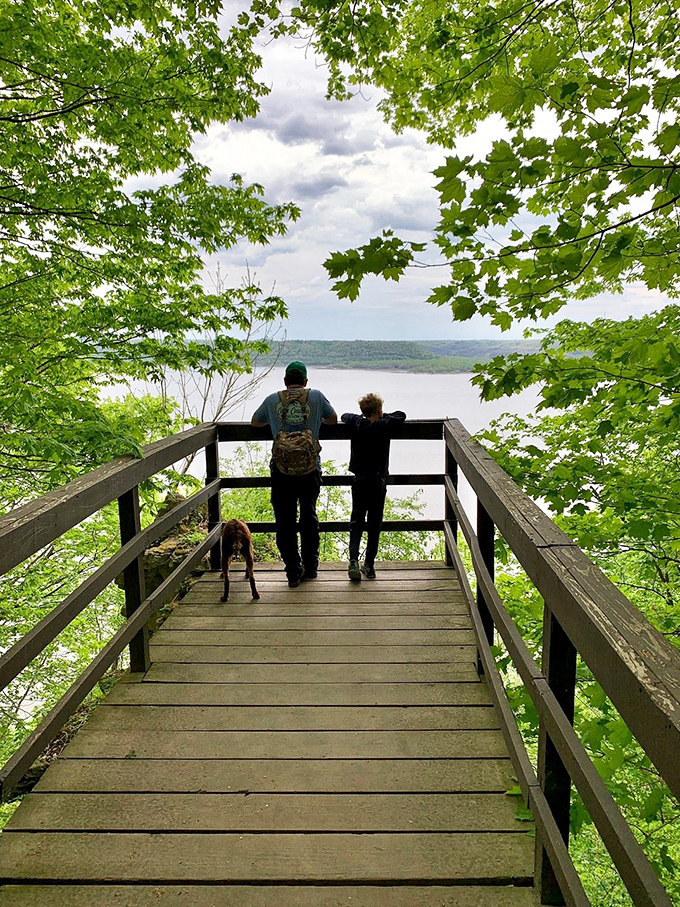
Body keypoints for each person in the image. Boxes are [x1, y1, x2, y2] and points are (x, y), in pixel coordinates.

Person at [252, 361, 337, 587]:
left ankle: (292, 571)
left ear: (285, 381)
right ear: (305, 381)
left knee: (285, 521)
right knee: (308, 516)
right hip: (310, 468)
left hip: (281, 470)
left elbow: (255, 421)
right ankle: (311, 567)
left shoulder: (272, 399)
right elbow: (333, 419)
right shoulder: (316, 396)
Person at [341, 394, 406, 580]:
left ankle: (353, 560)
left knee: (357, 521)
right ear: (379, 410)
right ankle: (369, 565)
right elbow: (401, 415)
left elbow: (345, 416)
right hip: (378, 481)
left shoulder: (356, 424)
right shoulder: (384, 426)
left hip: (360, 480)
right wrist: (382, 416)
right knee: (374, 523)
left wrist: (360, 417)